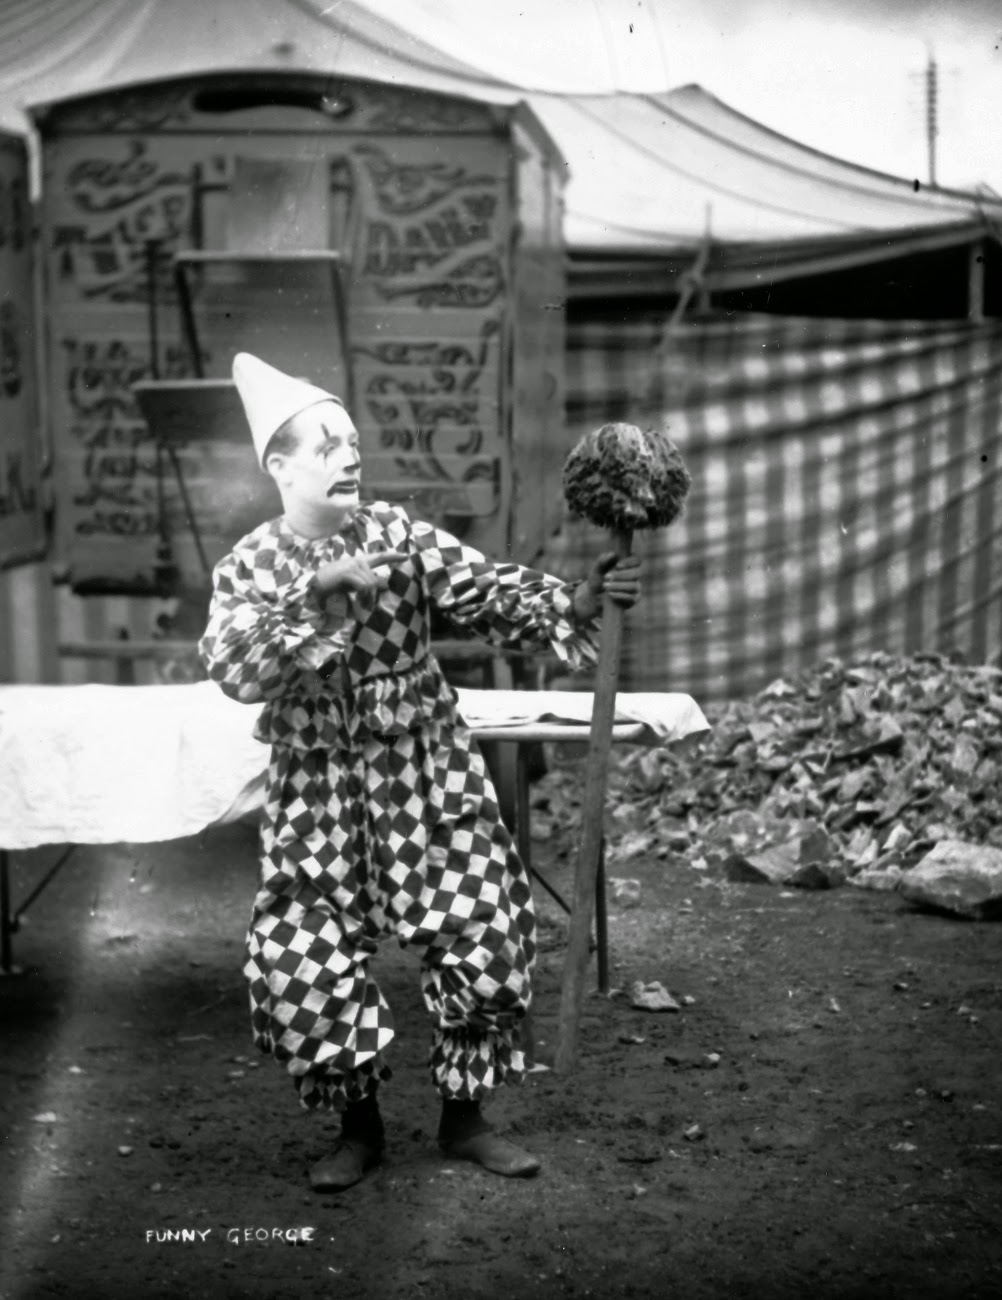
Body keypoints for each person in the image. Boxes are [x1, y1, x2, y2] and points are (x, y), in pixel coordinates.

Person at [198, 352, 642, 1191]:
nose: (347, 456)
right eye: (326, 446)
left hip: (426, 769)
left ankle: (465, 1121)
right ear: (280, 467)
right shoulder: (250, 566)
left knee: (487, 926)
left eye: (353, 442)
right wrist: (310, 595)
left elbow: (482, 589)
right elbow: (231, 665)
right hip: (318, 787)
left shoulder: (397, 535)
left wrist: (575, 602)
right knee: (302, 956)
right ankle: (357, 1130)